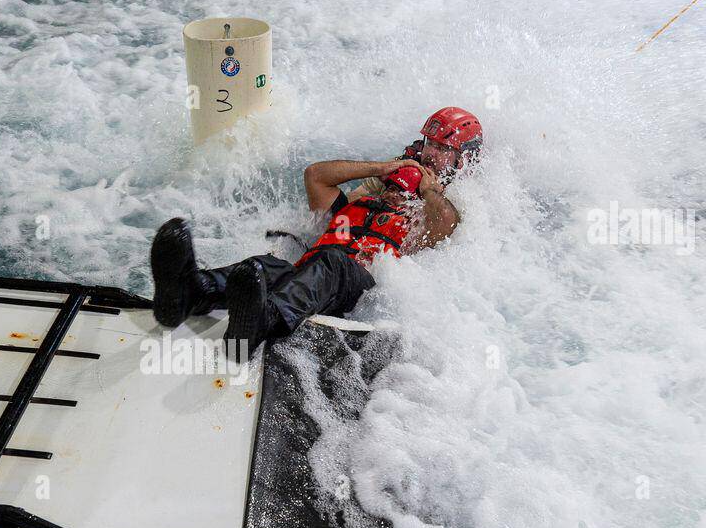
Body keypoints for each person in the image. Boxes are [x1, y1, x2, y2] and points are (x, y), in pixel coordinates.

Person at [149, 107, 483, 358]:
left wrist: (426, 190)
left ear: (461, 160)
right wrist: (380, 169)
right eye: (428, 144)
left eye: (442, 149)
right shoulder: (369, 195)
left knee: (331, 263)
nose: (429, 154)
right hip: (322, 275)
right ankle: (192, 292)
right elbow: (316, 176)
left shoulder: (440, 210)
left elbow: (443, 224)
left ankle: (265, 322)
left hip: (361, 290)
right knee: (271, 267)